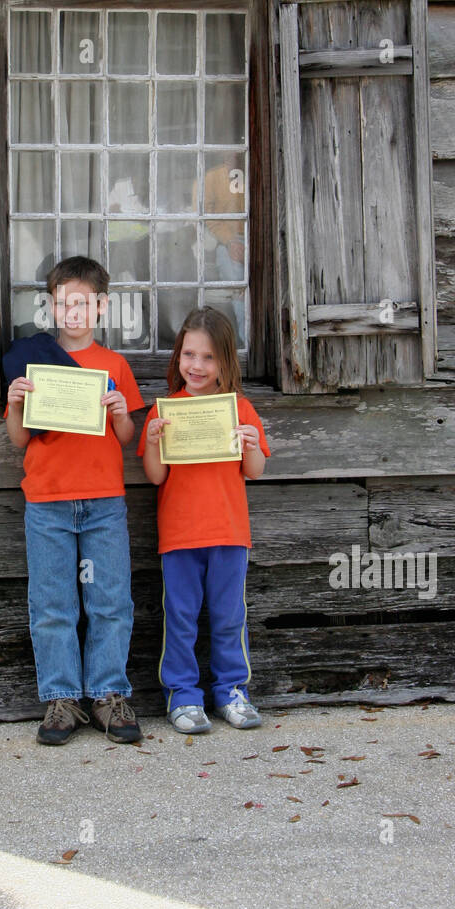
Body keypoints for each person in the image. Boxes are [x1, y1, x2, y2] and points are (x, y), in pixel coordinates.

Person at [5, 256, 145, 746]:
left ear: (101, 306)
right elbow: (20, 439)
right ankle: (61, 698)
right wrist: (17, 402)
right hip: (48, 500)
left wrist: (120, 412)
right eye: (64, 303)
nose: (74, 313)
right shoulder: (36, 363)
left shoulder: (115, 365)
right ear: (52, 306)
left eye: (83, 304)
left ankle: (108, 694)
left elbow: (127, 437)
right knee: (52, 603)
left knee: (110, 601)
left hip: (104, 500)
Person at [137, 306, 270, 734]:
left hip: (229, 532)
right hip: (179, 534)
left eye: (208, 357)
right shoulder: (165, 411)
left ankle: (232, 691)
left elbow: (255, 471)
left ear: (225, 362)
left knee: (230, 615)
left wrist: (250, 443)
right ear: (177, 357)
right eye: (189, 355)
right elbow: (156, 476)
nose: (196, 365)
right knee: (180, 615)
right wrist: (156, 440)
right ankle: (183, 695)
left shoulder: (240, 409)